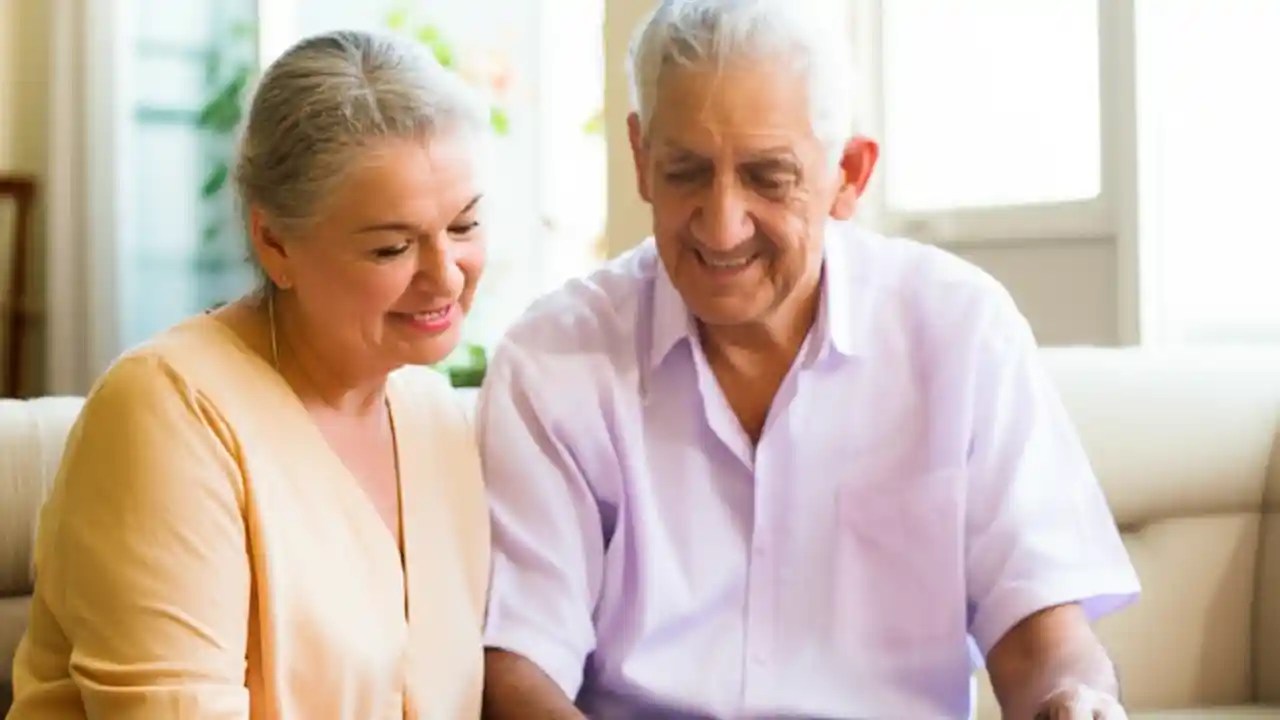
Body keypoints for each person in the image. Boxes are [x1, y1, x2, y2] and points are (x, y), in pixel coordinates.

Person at [477, 2, 1140, 719]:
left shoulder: (961, 332)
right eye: (686, 173)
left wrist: (1077, 700)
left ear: (848, 175)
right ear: (640, 159)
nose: (723, 223)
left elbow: (1042, 635)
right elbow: (518, 671)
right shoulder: (551, 360)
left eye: (768, 177)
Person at [8, 30, 491, 719]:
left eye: (465, 226)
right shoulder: (167, 412)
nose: (445, 275)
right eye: (392, 246)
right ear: (274, 241)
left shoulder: (435, 414)